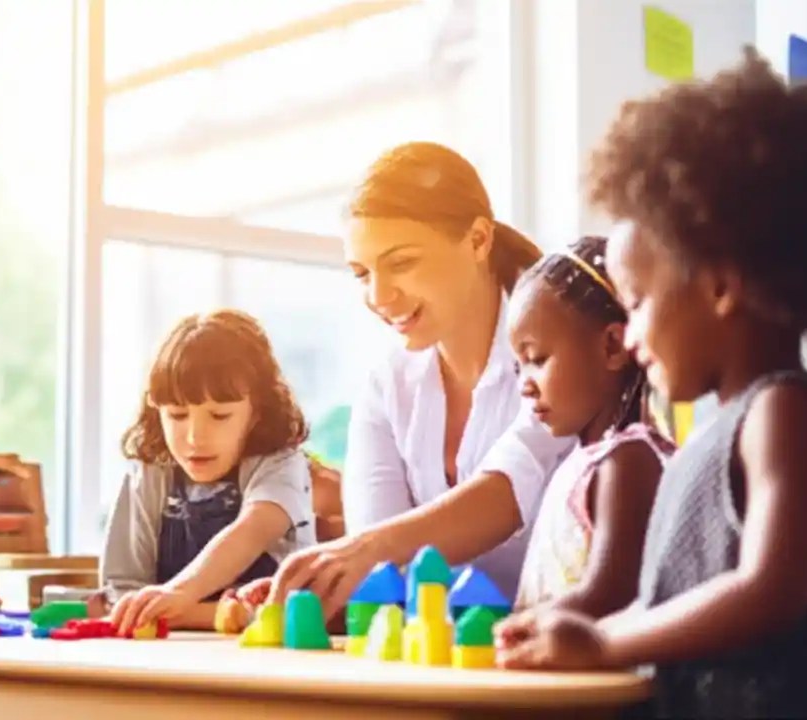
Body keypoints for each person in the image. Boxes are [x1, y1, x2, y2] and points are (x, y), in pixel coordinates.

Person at [496, 49, 807, 719]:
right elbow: (661, 609)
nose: (631, 331)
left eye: (639, 301)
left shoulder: (781, 412)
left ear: (722, 287)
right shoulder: (705, 443)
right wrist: (569, 631)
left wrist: (601, 642)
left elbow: (770, 588)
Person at [270, 141, 572, 614]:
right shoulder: (387, 385)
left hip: (556, 650)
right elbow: (377, 562)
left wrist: (367, 549)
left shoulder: (558, 355)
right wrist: (312, 587)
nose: (379, 295)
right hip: (438, 654)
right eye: (361, 273)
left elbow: (507, 492)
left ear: (478, 240)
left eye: (401, 263)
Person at [101, 309, 316, 633]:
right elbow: (123, 594)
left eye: (219, 416)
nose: (194, 438)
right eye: (176, 415)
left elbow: (253, 530)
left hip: (267, 658)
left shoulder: (279, 465)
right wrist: (220, 614)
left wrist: (178, 598)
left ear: (256, 412)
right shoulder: (149, 475)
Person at [507, 236, 671, 614]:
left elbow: (610, 596)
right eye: (518, 366)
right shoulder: (585, 461)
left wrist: (511, 628)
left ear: (612, 346)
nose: (523, 384)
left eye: (537, 358)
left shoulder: (629, 462)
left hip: (601, 674)